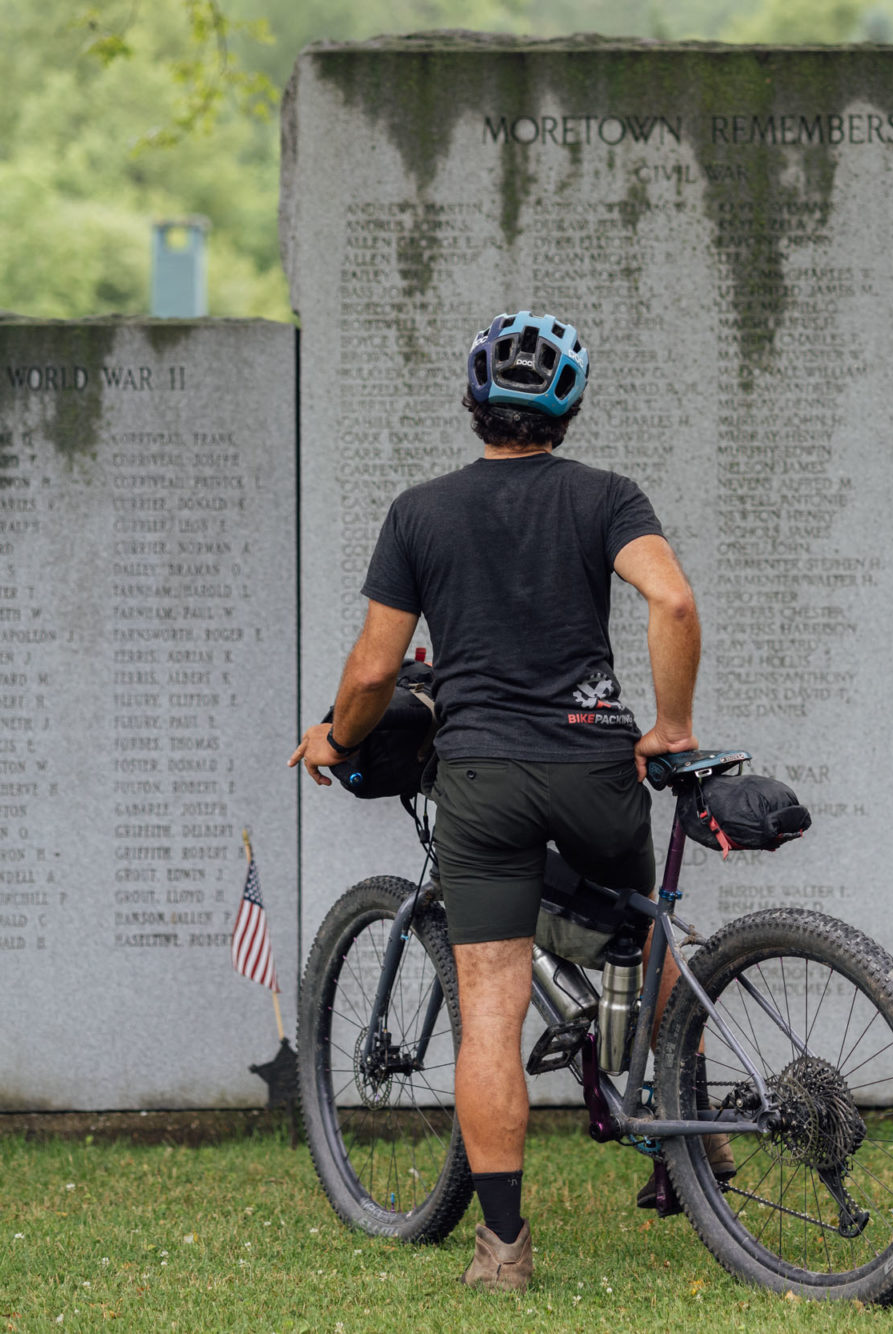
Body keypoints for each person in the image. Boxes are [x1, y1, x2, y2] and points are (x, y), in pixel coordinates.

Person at [288, 311, 704, 1294]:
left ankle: (504, 1250)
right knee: (642, 944)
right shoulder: (607, 496)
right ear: (568, 408)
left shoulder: (420, 513)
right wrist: (670, 724)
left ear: (473, 400)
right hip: (597, 765)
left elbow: (375, 668)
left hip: (481, 779)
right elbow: (673, 601)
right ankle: (701, 1142)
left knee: (489, 1009)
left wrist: (337, 737)